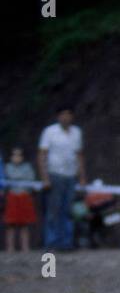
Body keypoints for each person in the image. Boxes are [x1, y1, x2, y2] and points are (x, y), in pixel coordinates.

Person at [37, 104, 86, 250]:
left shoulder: (76, 132)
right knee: (53, 209)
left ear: (72, 116)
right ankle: (51, 241)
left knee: (68, 210)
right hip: (55, 174)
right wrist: (44, 177)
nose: (66, 117)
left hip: (70, 175)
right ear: (58, 116)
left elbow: (79, 155)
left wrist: (82, 176)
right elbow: (42, 155)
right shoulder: (49, 132)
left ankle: (66, 242)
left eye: (68, 114)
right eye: (63, 114)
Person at [4, 147, 38, 251]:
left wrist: (15, 178)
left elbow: (30, 179)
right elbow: (7, 177)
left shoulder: (28, 167)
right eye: (14, 155)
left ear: (23, 157)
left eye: (19, 155)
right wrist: (19, 178)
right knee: (10, 224)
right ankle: (10, 248)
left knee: (25, 224)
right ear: (11, 157)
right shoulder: (7, 167)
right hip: (12, 197)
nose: (17, 157)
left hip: (24, 197)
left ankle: (25, 248)